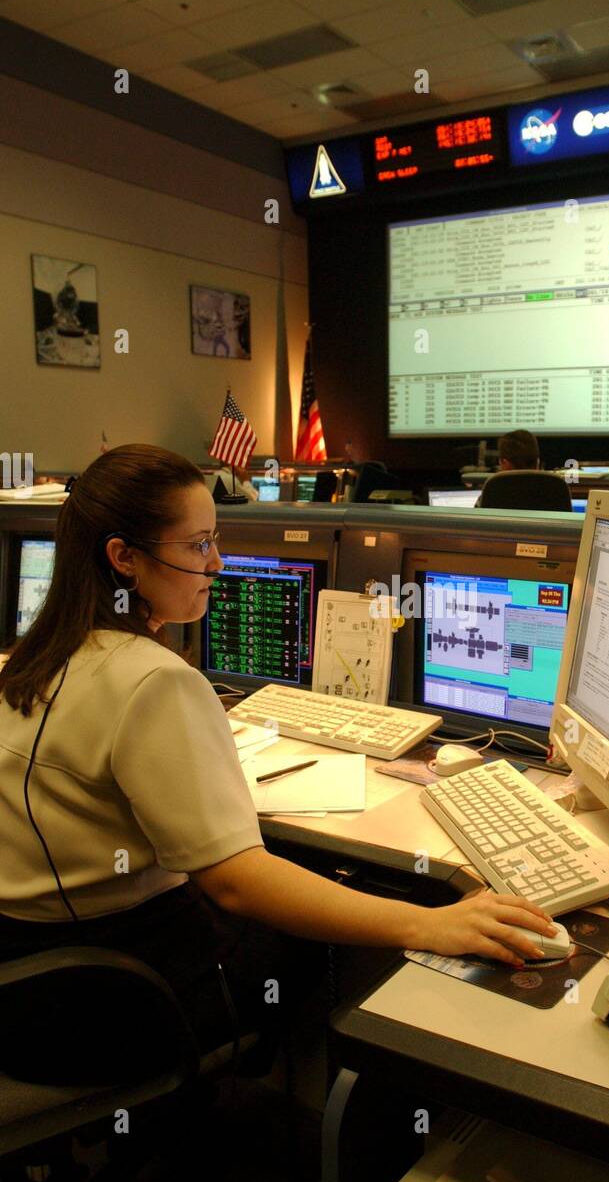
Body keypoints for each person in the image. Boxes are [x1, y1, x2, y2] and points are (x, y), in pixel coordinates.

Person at [0, 446, 555, 1076]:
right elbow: (237, 883)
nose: (218, 562)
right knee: (336, 917)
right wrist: (428, 926)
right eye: (198, 546)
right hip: (114, 998)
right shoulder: (151, 682)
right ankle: (304, 1127)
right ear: (124, 558)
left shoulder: (31, 659)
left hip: (28, 975)